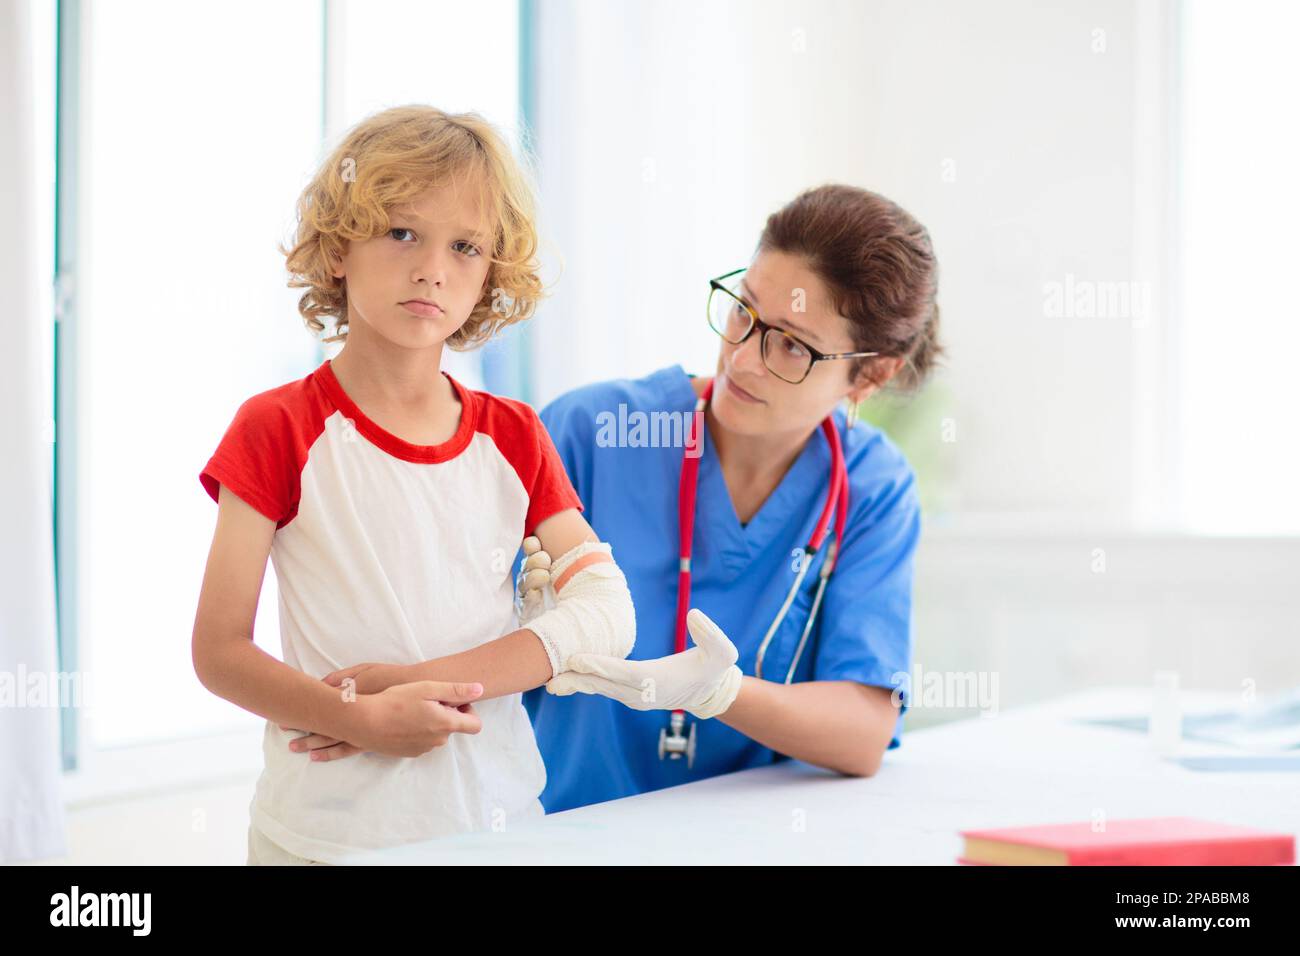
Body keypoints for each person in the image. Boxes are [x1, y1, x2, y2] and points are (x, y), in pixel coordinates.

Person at [191, 105, 637, 865]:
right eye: (402, 232)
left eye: (466, 247)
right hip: (321, 838)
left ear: (490, 276)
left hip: (495, 823)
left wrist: (417, 686)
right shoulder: (278, 428)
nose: (433, 267)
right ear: (338, 249)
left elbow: (608, 616)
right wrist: (356, 719)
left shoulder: (515, 435)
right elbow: (218, 650)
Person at [522, 184, 944, 812]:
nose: (742, 359)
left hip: (752, 839)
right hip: (558, 833)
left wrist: (718, 693)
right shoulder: (590, 432)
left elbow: (862, 732)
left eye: (793, 345)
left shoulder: (873, 488)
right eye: (743, 311)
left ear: (872, 372)